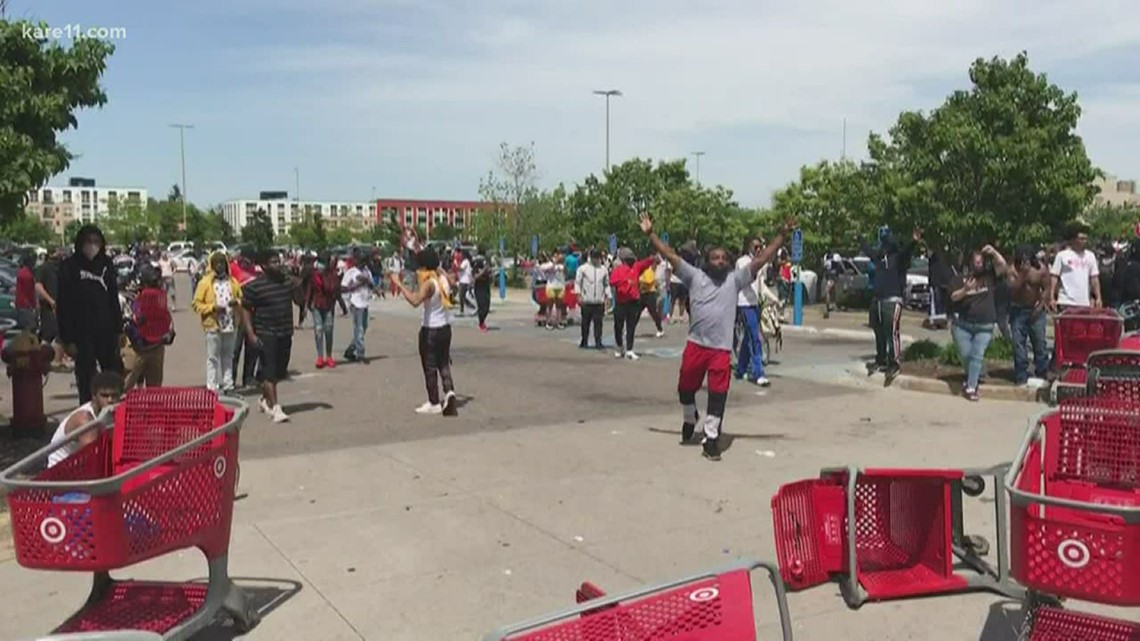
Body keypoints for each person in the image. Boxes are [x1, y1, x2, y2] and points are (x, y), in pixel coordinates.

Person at [642, 213, 793, 461]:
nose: (720, 261)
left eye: (724, 258)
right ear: (707, 261)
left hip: (720, 350)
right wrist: (650, 234)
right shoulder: (694, 276)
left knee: (718, 393)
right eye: (715, 258)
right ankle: (690, 417)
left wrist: (782, 235)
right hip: (696, 345)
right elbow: (670, 255)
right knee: (684, 389)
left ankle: (711, 438)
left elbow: (762, 259)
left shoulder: (735, 280)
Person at [57, 225, 123, 404]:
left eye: (96, 242)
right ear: (80, 243)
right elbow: (63, 305)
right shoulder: (68, 266)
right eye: (89, 242)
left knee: (112, 374)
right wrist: (67, 339)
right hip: (81, 333)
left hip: (106, 330)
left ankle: (113, 411)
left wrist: (119, 330)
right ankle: (88, 412)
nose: (92, 246)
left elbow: (113, 298)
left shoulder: (106, 264)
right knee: (86, 377)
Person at [389, 247, 459, 416]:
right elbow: (454, 285)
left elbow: (415, 301)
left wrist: (399, 285)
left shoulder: (429, 283)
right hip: (445, 327)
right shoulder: (443, 279)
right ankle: (449, 392)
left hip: (430, 329)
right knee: (443, 362)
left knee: (430, 365)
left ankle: (434, 401)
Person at [860, 227, 922, 385]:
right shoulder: (880, 259)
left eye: (885, 244)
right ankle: (881, 359)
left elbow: (907, 251)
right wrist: (859, 238)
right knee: (878, 329)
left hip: (892, 300)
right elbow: (868, 251)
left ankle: (894, 363)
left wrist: (913, 240)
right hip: (877, 300)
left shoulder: (898, 259)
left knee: (891, 331)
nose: (883, 247)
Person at [241, 250, 295, 423]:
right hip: (266, 332)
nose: (278, 264)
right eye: (273, 262)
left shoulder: (286, 282)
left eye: (278, 261)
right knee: (269, 371)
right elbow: (245, 310)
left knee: (279, 371)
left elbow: (300, 299)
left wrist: (298, 282)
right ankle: (276, 408)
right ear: (264, 266)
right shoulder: (254, 286)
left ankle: (265, 399)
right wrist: (250, 333)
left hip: (285, 331)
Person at [949, 246, 1006, 401]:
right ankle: (974, 376)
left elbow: (1002, 265)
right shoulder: (960, 278)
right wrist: (965, 290)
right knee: (966, 355)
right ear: (971, 263)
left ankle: (971, 387)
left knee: (976, 355)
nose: (979, 264)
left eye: (981, 261)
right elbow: (953, 297)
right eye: (976, 261)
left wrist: (994, 252)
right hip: (963, 325)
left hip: (985, 326)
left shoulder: (989, 276)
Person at [47, 372, 123, 468]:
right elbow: (92, 458)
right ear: (94, 396)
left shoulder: (113, 412)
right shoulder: (85, 420)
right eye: (104, 395)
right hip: (61, 471)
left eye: (114, 395)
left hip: (80, 467)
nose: (110, 400)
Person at [193, 251, 243, 393]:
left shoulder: (232, 282)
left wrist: (236, 302)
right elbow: (196, 304)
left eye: (222, 263)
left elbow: (241, 298)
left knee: (228, 356)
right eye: (217, 263)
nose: (220, 266)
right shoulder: (205, 283)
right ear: (212, 265)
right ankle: (212, 386)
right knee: (213, 357)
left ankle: (228, 384)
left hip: (230, 323)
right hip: (213, 324)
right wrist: (212, 308)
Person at [123, 266, 174, 390]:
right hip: (136, 347)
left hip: (156, 346)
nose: (158, 282)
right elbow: (130, 319)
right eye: (155, 280)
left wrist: (169, 331)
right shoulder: (131, 297)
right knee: (125, 385)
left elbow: (166, 317)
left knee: (154, 389)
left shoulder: (159, 297)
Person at [1007, 245, 1050, 386]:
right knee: (1019, 344)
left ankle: (1042, 371)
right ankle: (1021, 375)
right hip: (1018, 310)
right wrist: (1023, 277)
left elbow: (1047, 288)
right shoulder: (1012, 270)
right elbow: (1012, 292)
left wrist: (1041, 305)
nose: (1024, 263)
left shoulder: (1041, 269)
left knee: (1039, 342)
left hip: (1036, 309)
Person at [734, 238, 770, 387]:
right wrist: (759, 264)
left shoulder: (761, 263)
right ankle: (758, 373)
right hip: (744, 303)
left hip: (754, 302)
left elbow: (762, 284)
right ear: (749, 247)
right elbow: (748, 278)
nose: (758, 249)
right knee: (755, 337)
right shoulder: (742, 262)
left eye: (761, 247)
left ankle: (741, 369)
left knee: (749, 337)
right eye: (756, 247)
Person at [609, 248, 655, 360]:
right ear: (624, 260)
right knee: (618, 326)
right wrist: (625, 282)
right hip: (621, 301)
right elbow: (612, 281)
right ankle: (619, 347)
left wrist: (652, 258)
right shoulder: (618, 270)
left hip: (633, 301)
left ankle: (629, 349)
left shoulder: (636, 267)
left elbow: (645, 263)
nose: (631, 261)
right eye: (629, 259)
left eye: (632, 259)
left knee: (631, 326)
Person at [1048, 224, 1101, 311]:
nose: (1084, 241)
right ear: (1074, 240)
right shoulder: (1062, 255)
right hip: (1066, 301)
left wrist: (1098, 297)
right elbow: (1054, 277)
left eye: (1085, 239)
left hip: (1084, 302)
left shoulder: (1090, 256)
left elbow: (1094, 279)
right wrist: (1051, 297)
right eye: (1081, 239)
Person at [230, 247, 261, 389]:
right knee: (234, 349)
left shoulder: (255, 271)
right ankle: (230, 378)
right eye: (247, 261)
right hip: (236, 314)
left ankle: (248, 377)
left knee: (252, 347)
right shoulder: (232, 268)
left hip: (253, 313)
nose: (249, 264)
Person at [35, 248, 68, 369]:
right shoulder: (43, 269)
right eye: (58, 253)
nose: (60, 256)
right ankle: (42, 361)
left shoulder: (61, 269)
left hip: (61, 306)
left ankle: (56, 360)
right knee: (48, 334)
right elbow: (38, 286)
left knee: (60, 334)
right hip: (48, 307)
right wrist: (50, 300)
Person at [307, 252, 341, 368]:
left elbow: (333, 290)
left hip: (328, 306)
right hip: (317, 305)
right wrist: (307, 305)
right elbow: (310, 290)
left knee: (329, 330)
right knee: (318, 330)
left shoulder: (332, 275)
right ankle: (320, 357)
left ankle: (329, 356)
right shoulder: (314, 275)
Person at [341, 249, 375, 363]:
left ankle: (350, 350)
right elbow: (342, 287)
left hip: (365, 303)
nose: (362, 263)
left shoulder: (366, 271)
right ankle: (360, 354)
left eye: (363, 261)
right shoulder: (351, 272)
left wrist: (366, 281)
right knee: (359, 328)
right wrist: (354, 286)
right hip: (355, 303)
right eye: (360, 260)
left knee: (363, 328)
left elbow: (371, 285)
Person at [575, 249, 610, 349]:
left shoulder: (603, 269)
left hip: (599, 301)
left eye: (598, 257)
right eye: (594, 257)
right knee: (585, 322)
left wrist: (608, 297)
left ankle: (598, 341)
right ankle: (584, 340)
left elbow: (606, 284)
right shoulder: (583, 269)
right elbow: (578, 282)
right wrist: (578, 295)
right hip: (587, 300)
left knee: (598, 323)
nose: (596, 259)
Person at [639, 256, 666, 338]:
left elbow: (648, 281)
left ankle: (660, 329)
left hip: (650, 294)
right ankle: (630, 329)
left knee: (653, 313)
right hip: (642, 294)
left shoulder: (651, 271)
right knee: (636, 313)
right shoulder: (643, 270)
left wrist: (641, 283)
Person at [541, 250, 567, 330]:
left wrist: (562, 264)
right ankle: (549, 322)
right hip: (551, 286)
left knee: (559, 306)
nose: (558, 257)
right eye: (556, 255)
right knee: (550, 305)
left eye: (558, 255)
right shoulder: (549, 264)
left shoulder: (562, 265)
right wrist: (554, 263)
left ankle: (559, 321)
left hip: (560, 287)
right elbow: (543, 269)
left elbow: (565, 272)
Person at [471, 247, 493, 332]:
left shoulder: (487, 262)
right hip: (479, 286)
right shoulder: (476, 263)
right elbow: (475, 277)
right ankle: (481, 323)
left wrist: (490, 275)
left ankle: (482, 321)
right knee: (481, 305)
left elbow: (490, 273)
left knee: (487, 305)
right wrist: (483, 271)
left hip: (486, 285)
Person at [14, 253, 37, 332]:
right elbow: (29, 292)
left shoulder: (21, 272)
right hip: (26, 305)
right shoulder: (27, 276)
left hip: (20, 303)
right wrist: (33, 305)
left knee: (24, 327)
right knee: (30, 327)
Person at [822, 249, 842, 319]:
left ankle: (833, 305)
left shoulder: (829, 257)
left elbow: (838, 266)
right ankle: (831, 305)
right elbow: (839, 266)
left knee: (832, 291)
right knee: (830, 291)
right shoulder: (832, 257)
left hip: (831, 276)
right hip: (831, 276)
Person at [457, 250, 474, 317]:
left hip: (464, 281)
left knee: (461, 296)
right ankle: (469, 307)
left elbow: (461, 268)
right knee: (462, 296)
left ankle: (462, 310)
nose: (460, 255)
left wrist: (456, 265)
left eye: (461, 254)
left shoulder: (465, 262)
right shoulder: (465, 261)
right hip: (463, 280)